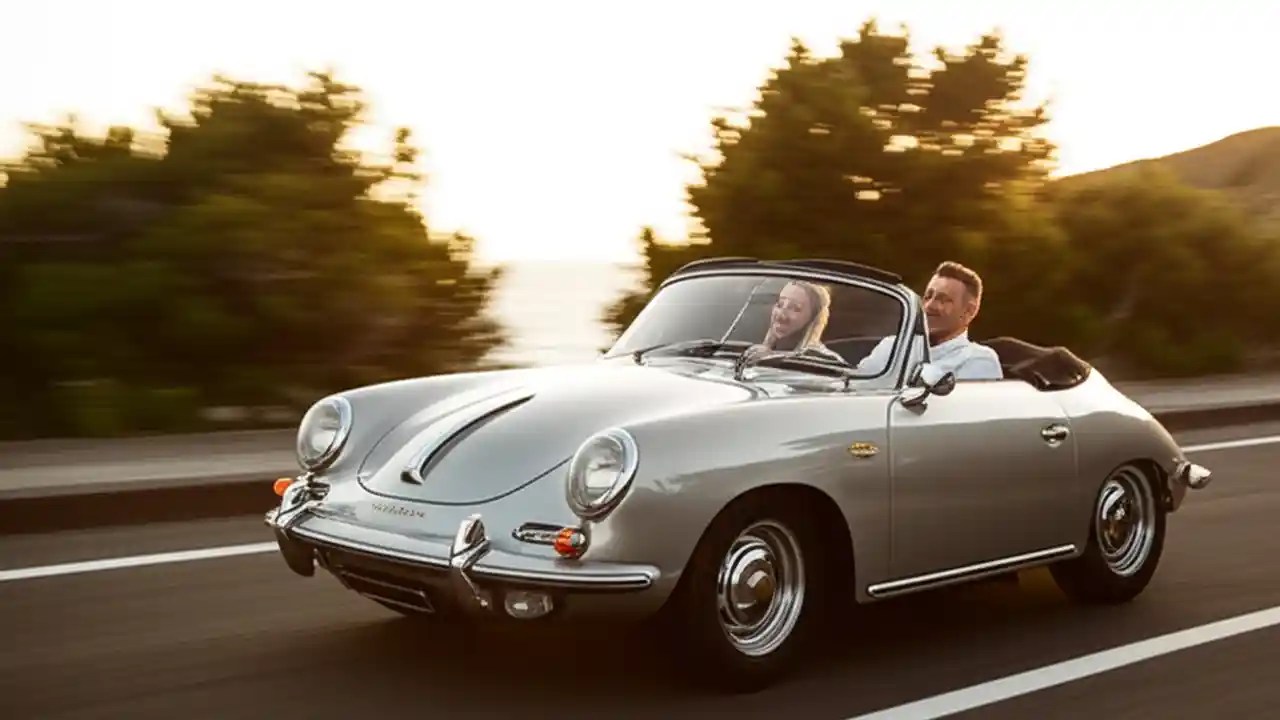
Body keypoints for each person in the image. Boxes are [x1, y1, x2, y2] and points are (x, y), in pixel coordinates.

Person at [855, 261, 1003, 380]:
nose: (929, 306)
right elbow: (853, 388)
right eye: (927, 297)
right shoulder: (891, 346)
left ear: (969, 311)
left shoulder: (978, 359)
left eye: (944, 300)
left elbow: (959, 412)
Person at [745, 280, 845, 364]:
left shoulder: (826, 362)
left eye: (795, 308)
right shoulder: (753, 354)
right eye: (780, 304)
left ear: (813, 319)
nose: (781, 315)